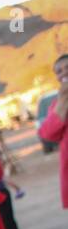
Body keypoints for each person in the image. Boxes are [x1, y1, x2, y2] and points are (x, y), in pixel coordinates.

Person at [36, 53, 68, 209]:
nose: (64, 73)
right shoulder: (57, 104)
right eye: (59, 71)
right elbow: (47, 134)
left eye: (67, 68)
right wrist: (62, 104)